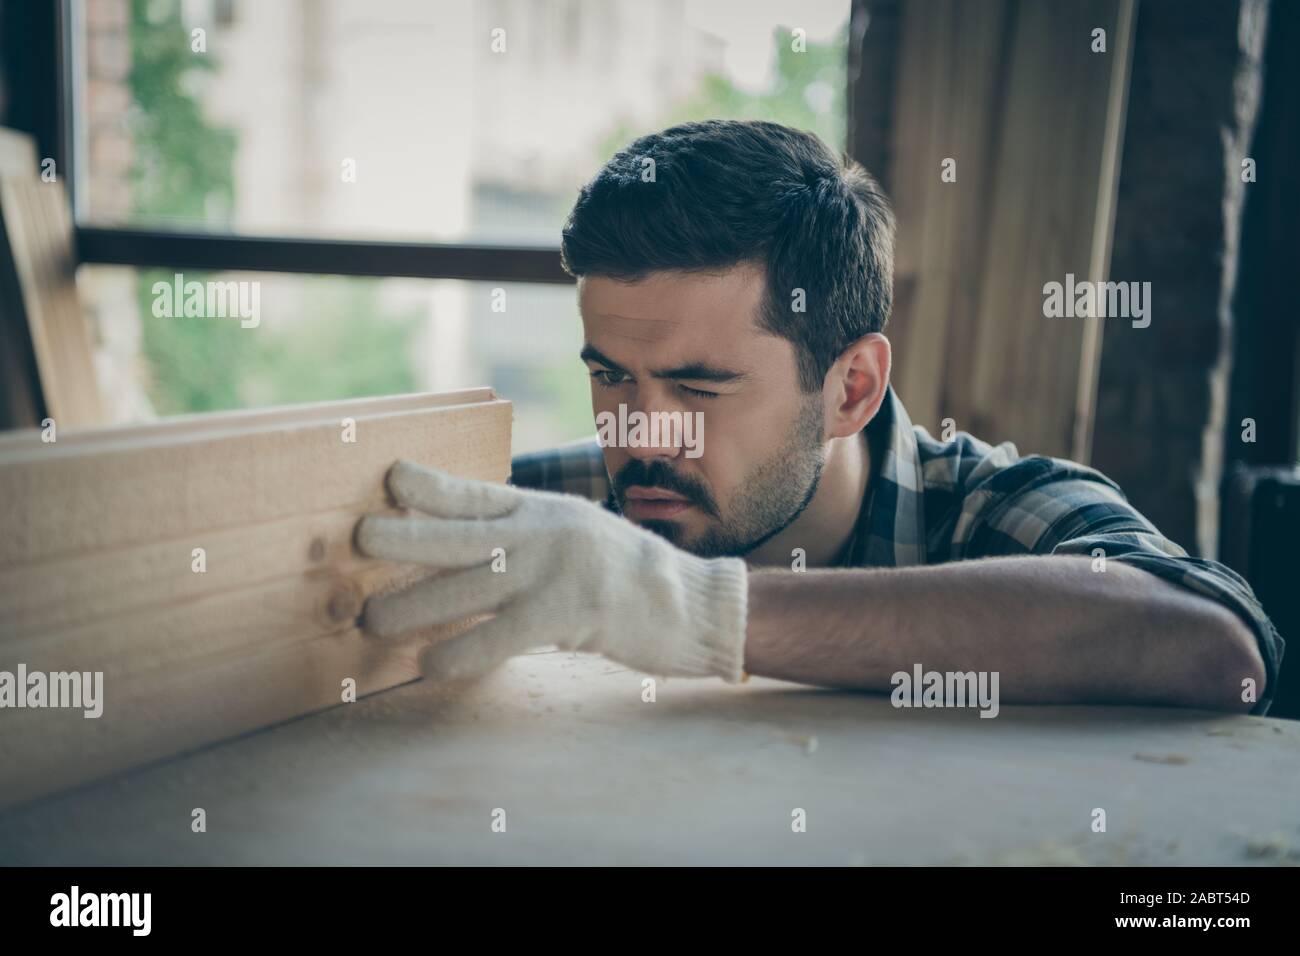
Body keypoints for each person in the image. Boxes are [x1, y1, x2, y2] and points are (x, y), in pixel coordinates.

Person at [356, 120, 1283, 715]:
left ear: (851, 390)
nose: (639, 436)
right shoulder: (563, 525)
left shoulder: (992, 512)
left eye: (697, 389)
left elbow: (1220, 649)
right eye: (611, 377)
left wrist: (691, 609)